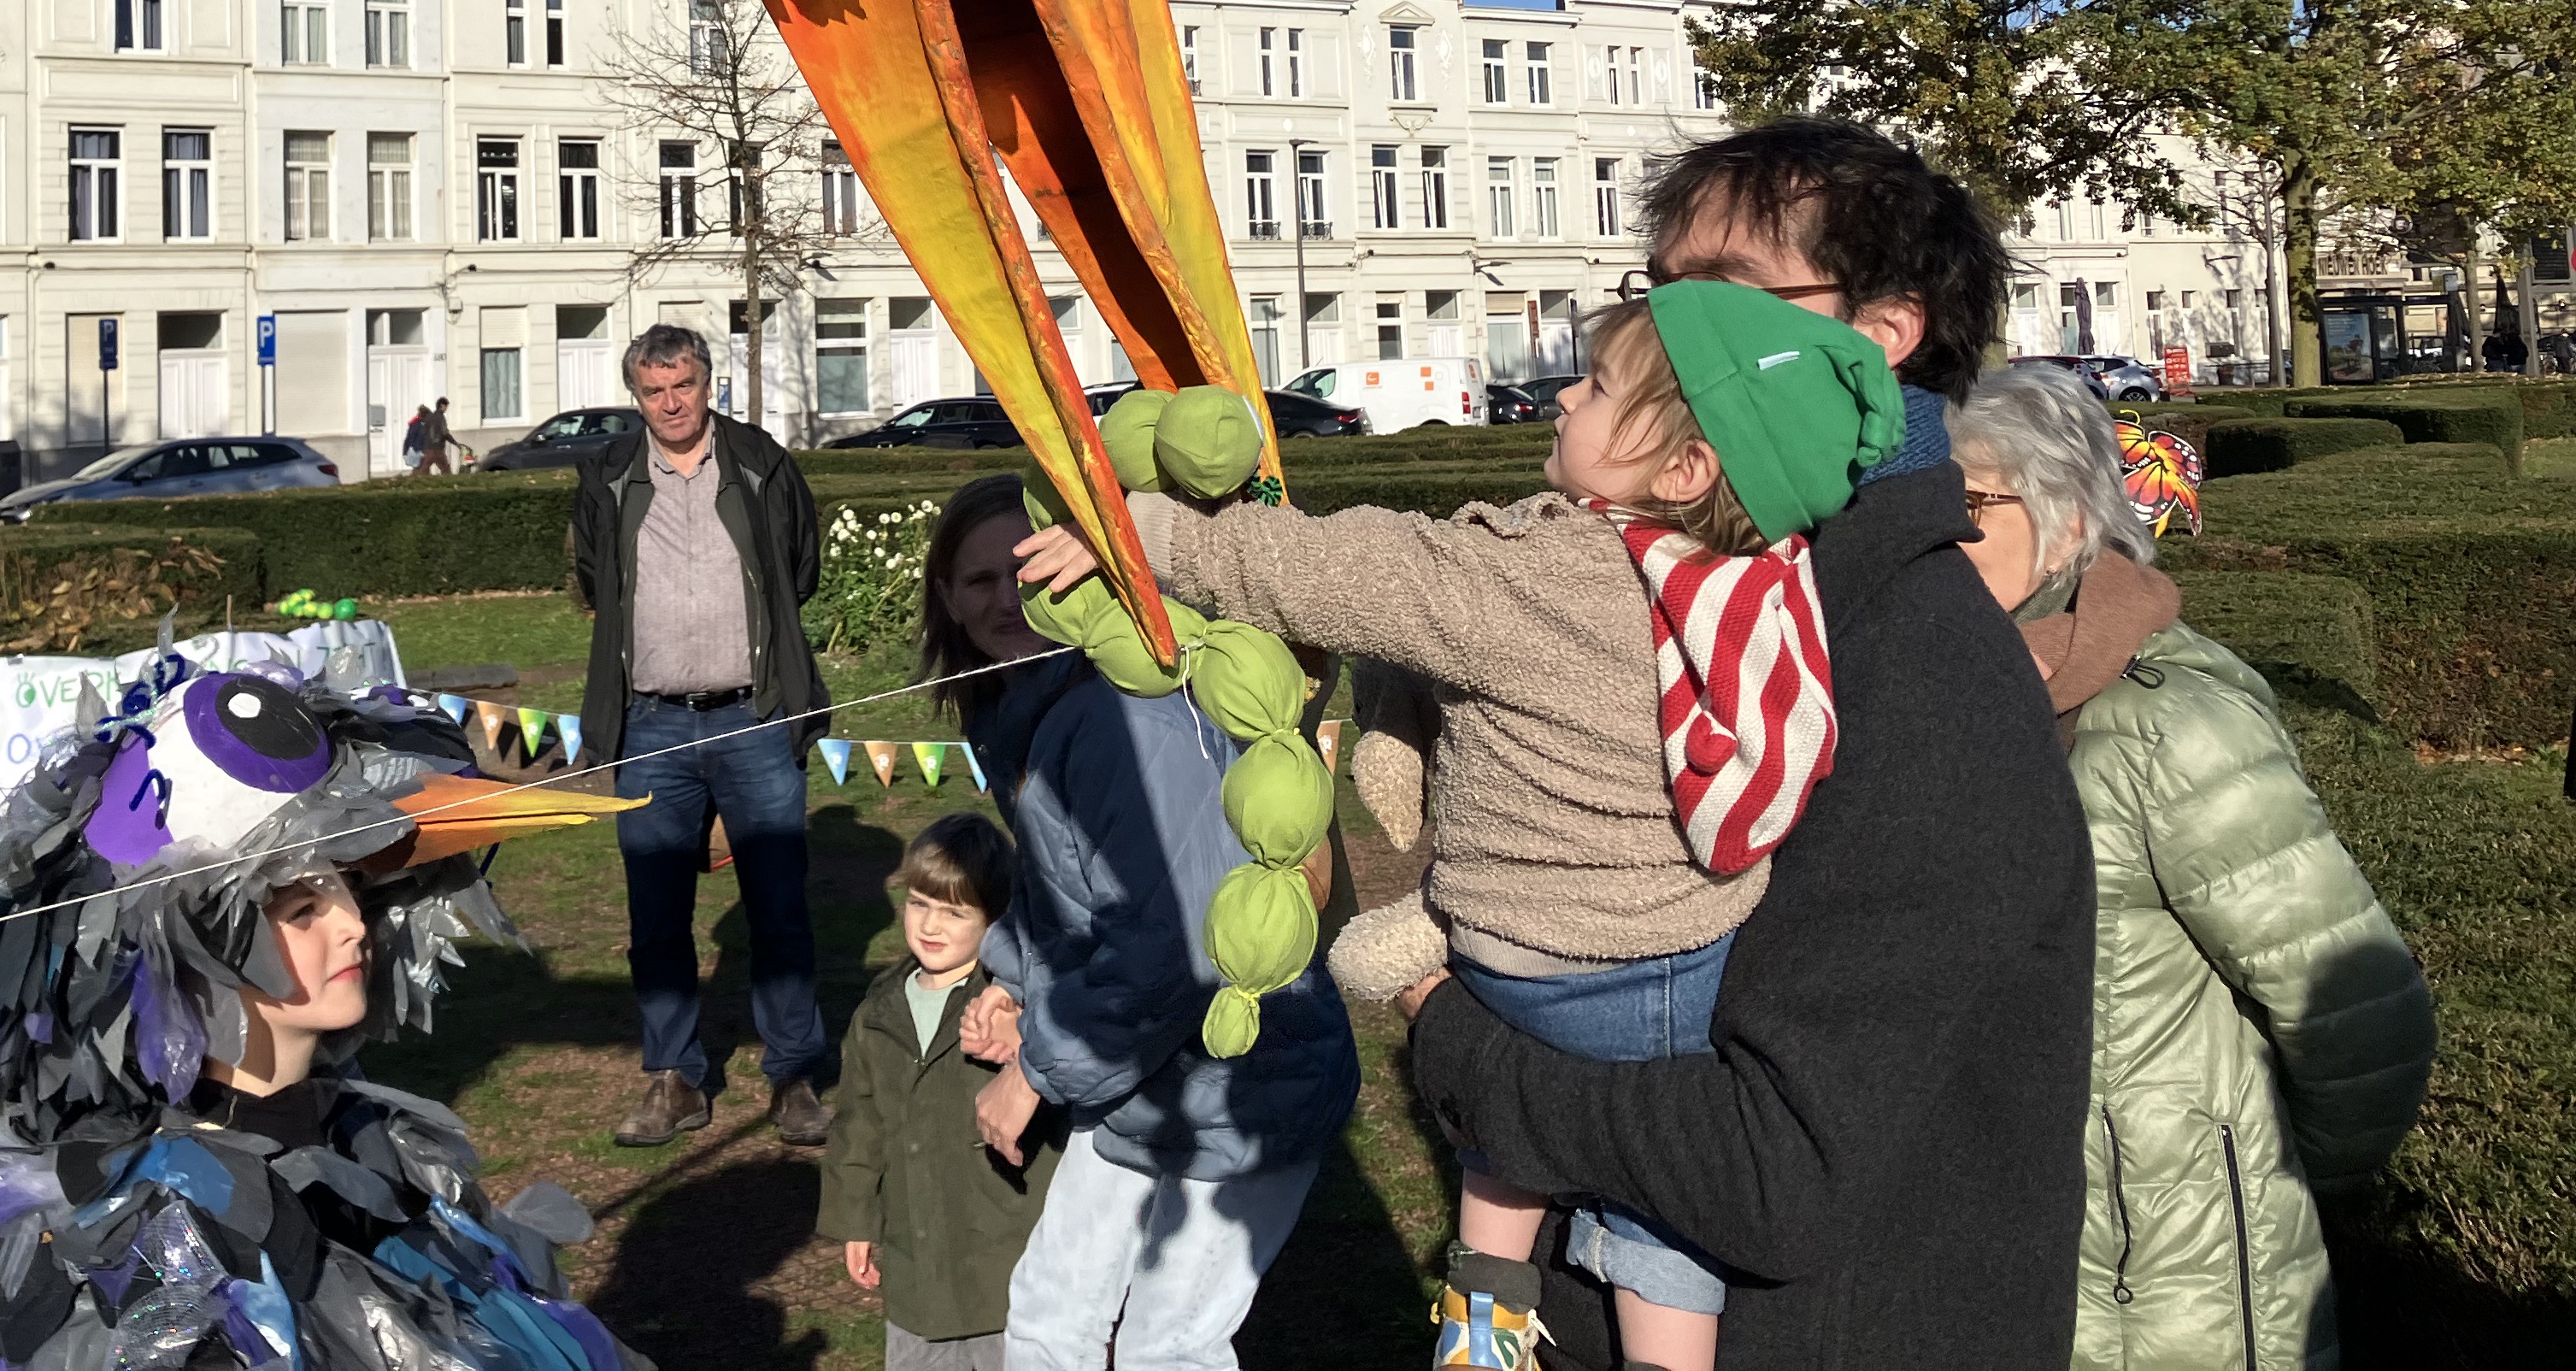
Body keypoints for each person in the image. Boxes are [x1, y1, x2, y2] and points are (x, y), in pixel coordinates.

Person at [1032, 301, 1892, 1371]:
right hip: (1682, 960)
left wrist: (1141, 531)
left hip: (1522, 956)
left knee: (1506, 1126)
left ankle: (1482, 1324)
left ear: (1684, 471)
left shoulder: (1545, 575)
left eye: (1600, 389)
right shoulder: (1754, 574)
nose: (1567, 394)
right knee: (1658, 1206)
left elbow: (1343, 572)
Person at [1400, 117, 2096, 1370]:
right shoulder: (1696, 588)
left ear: (1877, 339)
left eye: (1710, 296)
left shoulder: (1911, 669)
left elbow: (1775, 1170)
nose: (1655, 336)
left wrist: (1446, 1025)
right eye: (1651, 292)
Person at [0, 655, 645, 1371]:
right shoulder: (133, 1267)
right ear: (183, 956)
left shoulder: (383, 1151)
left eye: (348, 889)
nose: (351, 929)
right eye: (297, 906)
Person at [1950, 366, 2435, 1369]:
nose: (1934, 532)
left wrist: (2258, 1177)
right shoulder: (1930, 692)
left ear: (2070, 516)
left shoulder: (2167, 722)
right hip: (1988, 1249)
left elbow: (2359, 1008)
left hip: (2169, 1272)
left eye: (1967, 503)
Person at [920, 476, 1356, 1371]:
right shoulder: (1025, 711)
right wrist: (1012, 983)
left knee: (1170, 1348)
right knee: (1050, 1318)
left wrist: (1036, 1072)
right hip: (1143, 1068)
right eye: (977, 583)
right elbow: (1069, 899)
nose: (1006, 600)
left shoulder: (1123, 712)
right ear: (947, 603)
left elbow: (1180, 947)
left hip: (1247, 1075)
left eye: (1024, 570)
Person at [570, 321, 833, 1147]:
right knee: (655, 915)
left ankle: (793, 1077)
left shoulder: (759, 464)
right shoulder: (608, 476)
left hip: (754, 717)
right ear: (637, 397)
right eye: (653, 390)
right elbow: (592, 578)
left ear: (707, 383)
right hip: (650, 723)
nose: (670, 402)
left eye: (682, 385)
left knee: (780, 908)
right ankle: (675, 1077)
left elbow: (801, 566)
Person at [819, 814, 1062, 1371]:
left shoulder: (1011, 1004)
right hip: (917, 1269)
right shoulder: (879, 1010)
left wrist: (1023, 1034)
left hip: (1006, 1259)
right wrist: (855, 1218)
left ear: (995, 922)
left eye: (956, 912)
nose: (932, 924)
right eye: (921, 903)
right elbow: (859, 1121)